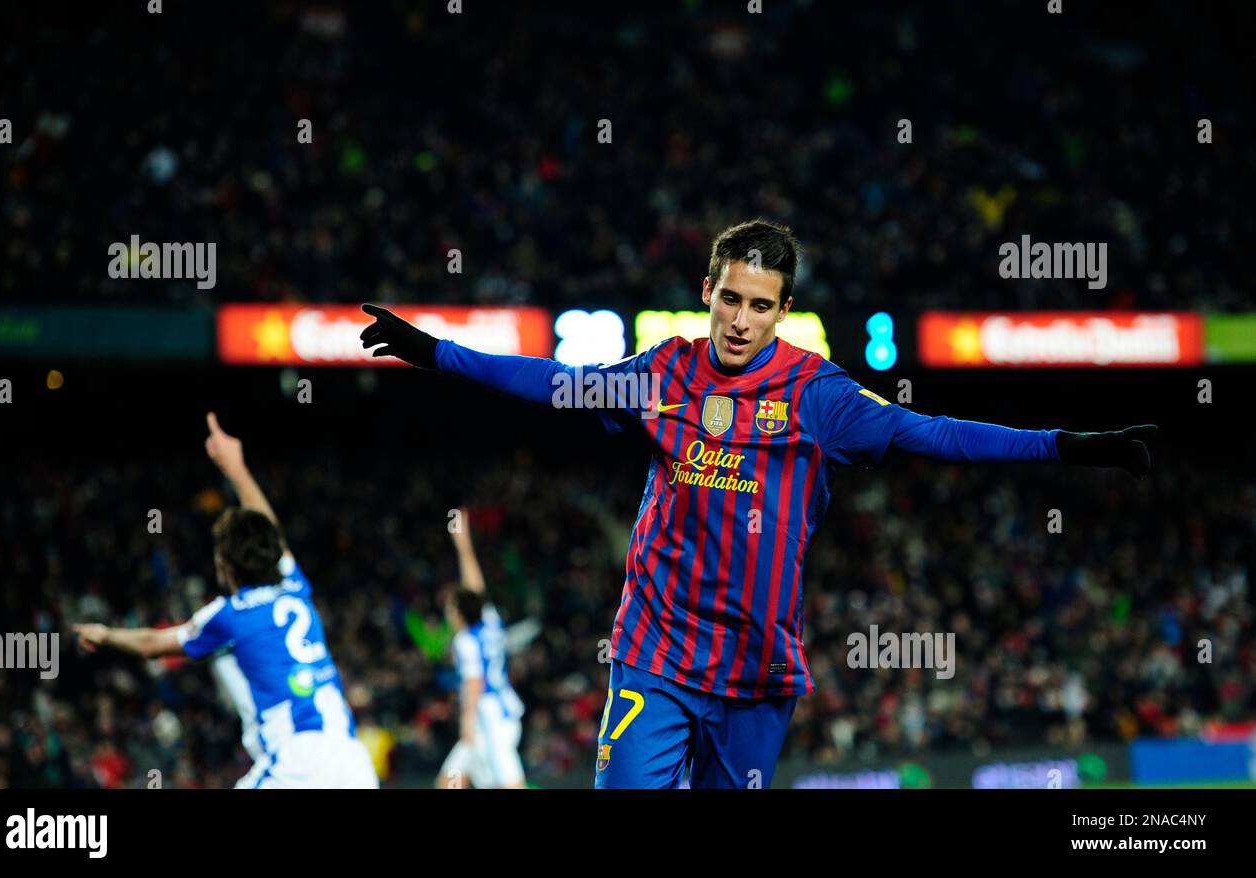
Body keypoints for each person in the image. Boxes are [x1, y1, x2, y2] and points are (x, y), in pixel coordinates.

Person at [360, 218, 1156, 789]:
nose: (740, 320)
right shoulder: (664, 373)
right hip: (656, 656)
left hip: (756, 674)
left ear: (783, 310)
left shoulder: (819, 396)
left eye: (761, 305)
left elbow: (936, 434)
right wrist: (437, 353)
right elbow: (549, 383)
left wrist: (1065, 444)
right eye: (730, 298)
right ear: (708, 290)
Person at [74, 413, 378, 789]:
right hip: (352, 759)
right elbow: (271, 533)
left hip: (297, 763)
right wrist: (237, 468)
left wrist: (105, 635)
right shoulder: (294, 586)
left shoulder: (229, 615)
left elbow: (153, 645)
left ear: (224, 565)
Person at [435, 508, 526, 789]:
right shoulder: (489, 620)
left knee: (510, 784)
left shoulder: (466, 640)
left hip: (488, 720)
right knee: (450, 781)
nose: (448, 613)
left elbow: (475, 681)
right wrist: (463, 544)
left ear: (461, 613)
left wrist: (467, 721)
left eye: (451, 609)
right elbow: (475, 588)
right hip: (498, 711)